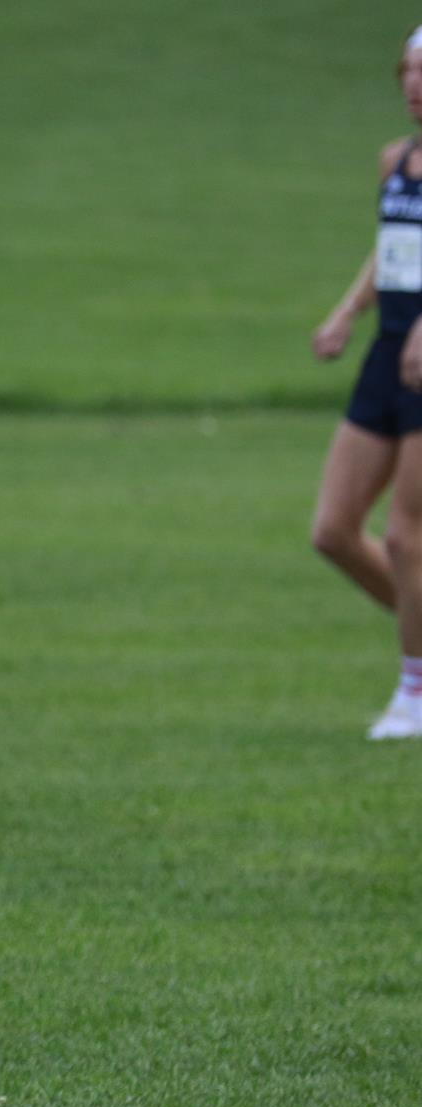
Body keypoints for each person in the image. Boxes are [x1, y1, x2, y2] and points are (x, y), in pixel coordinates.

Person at [309, 26, 422, 739]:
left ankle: (414, 692)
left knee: (408, 537)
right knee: (332, 530)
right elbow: (392, 253)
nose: (414, 84)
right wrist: (347, 310)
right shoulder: (396, 160)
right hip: (388, 355)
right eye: (407, 72)